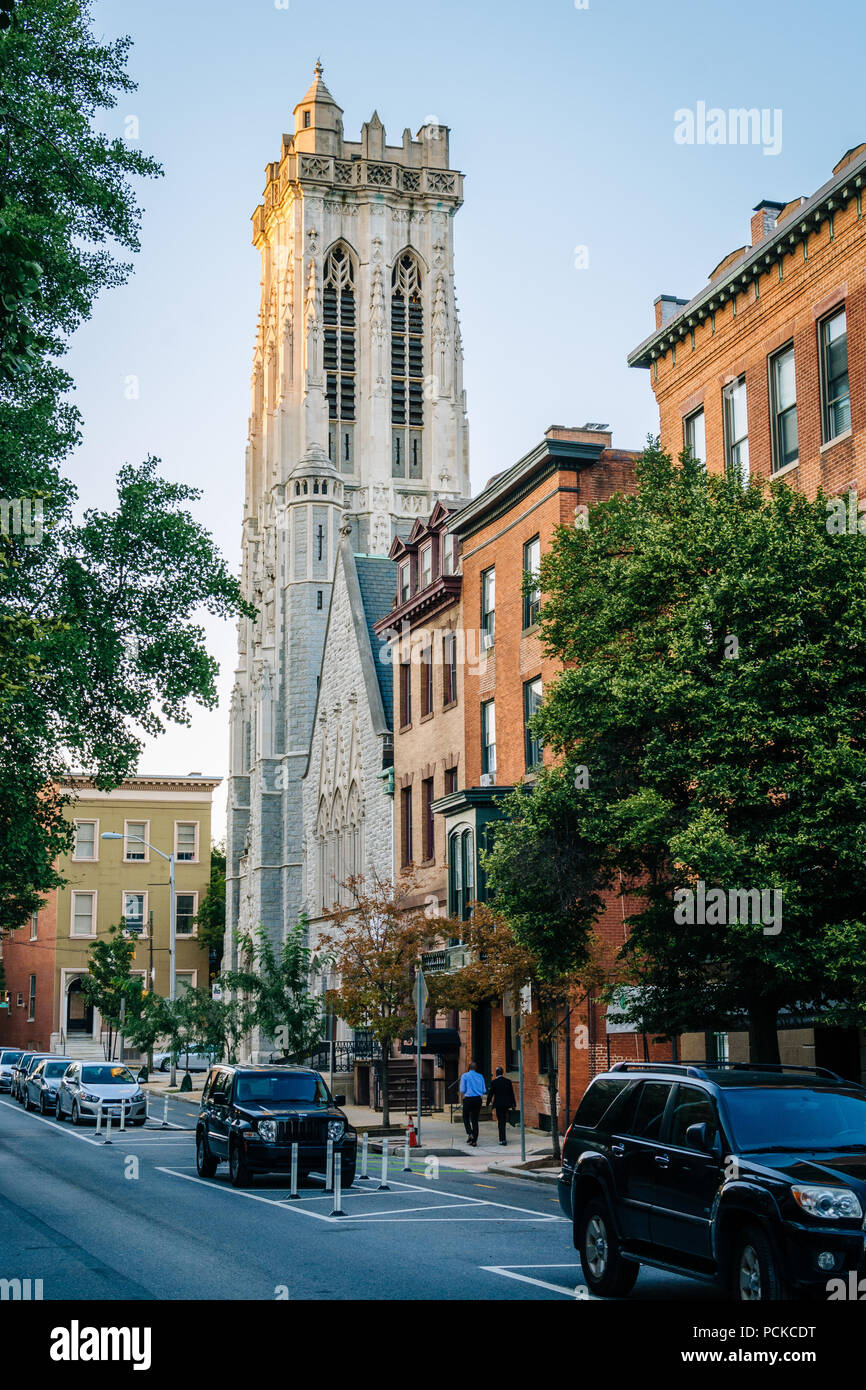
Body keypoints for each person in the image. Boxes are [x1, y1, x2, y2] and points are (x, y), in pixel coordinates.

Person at [458, 1060, 487, 1146]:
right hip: (478, 1099)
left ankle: (470, 1133)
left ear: (468, 1068)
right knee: (475, 1120)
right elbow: (484, 1090)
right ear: (476, 1068)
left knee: (465, 1117)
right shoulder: (480, 1076)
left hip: (468, 1099)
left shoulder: (465, 1076)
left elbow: (462, 1090)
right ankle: (474, 1140)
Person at [487, 1066, 517, 1145]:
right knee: (503, 1121)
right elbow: (511, 1094)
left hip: (498, 1105)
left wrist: (487, 1103)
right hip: (506, 1105)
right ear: (502, 1073)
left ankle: (502, 1139)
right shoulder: (508, 1081)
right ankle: (503, 1138)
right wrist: (514, 1104)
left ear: (496, 1073)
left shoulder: (494, 1082)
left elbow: (490, 1094)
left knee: (500, 1122)